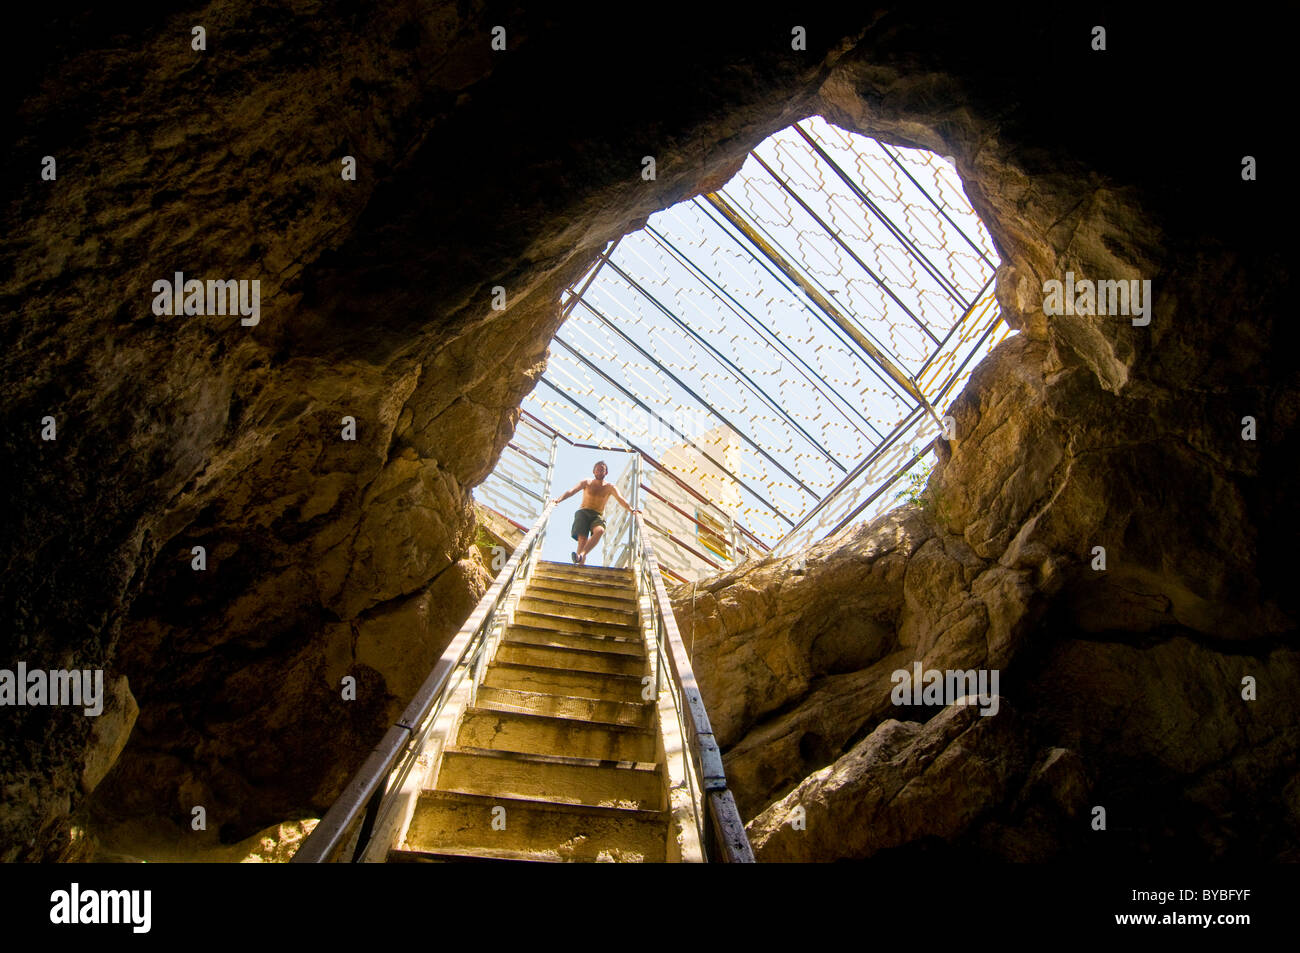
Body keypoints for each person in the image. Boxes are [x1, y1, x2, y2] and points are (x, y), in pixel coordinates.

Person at [550, 460, 641, 565]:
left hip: (597, 515)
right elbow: (572, 491)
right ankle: (580, 564)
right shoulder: (587, 482)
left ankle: (581, 555)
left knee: (600, 530)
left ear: (606, 473)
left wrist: (631, 509)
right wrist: (558, 500)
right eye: (597, 470)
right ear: (594, 472)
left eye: (602, 470)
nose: (599, 471)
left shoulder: (610, 487)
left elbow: (621, 499)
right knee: (582, 539)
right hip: (583, 512)